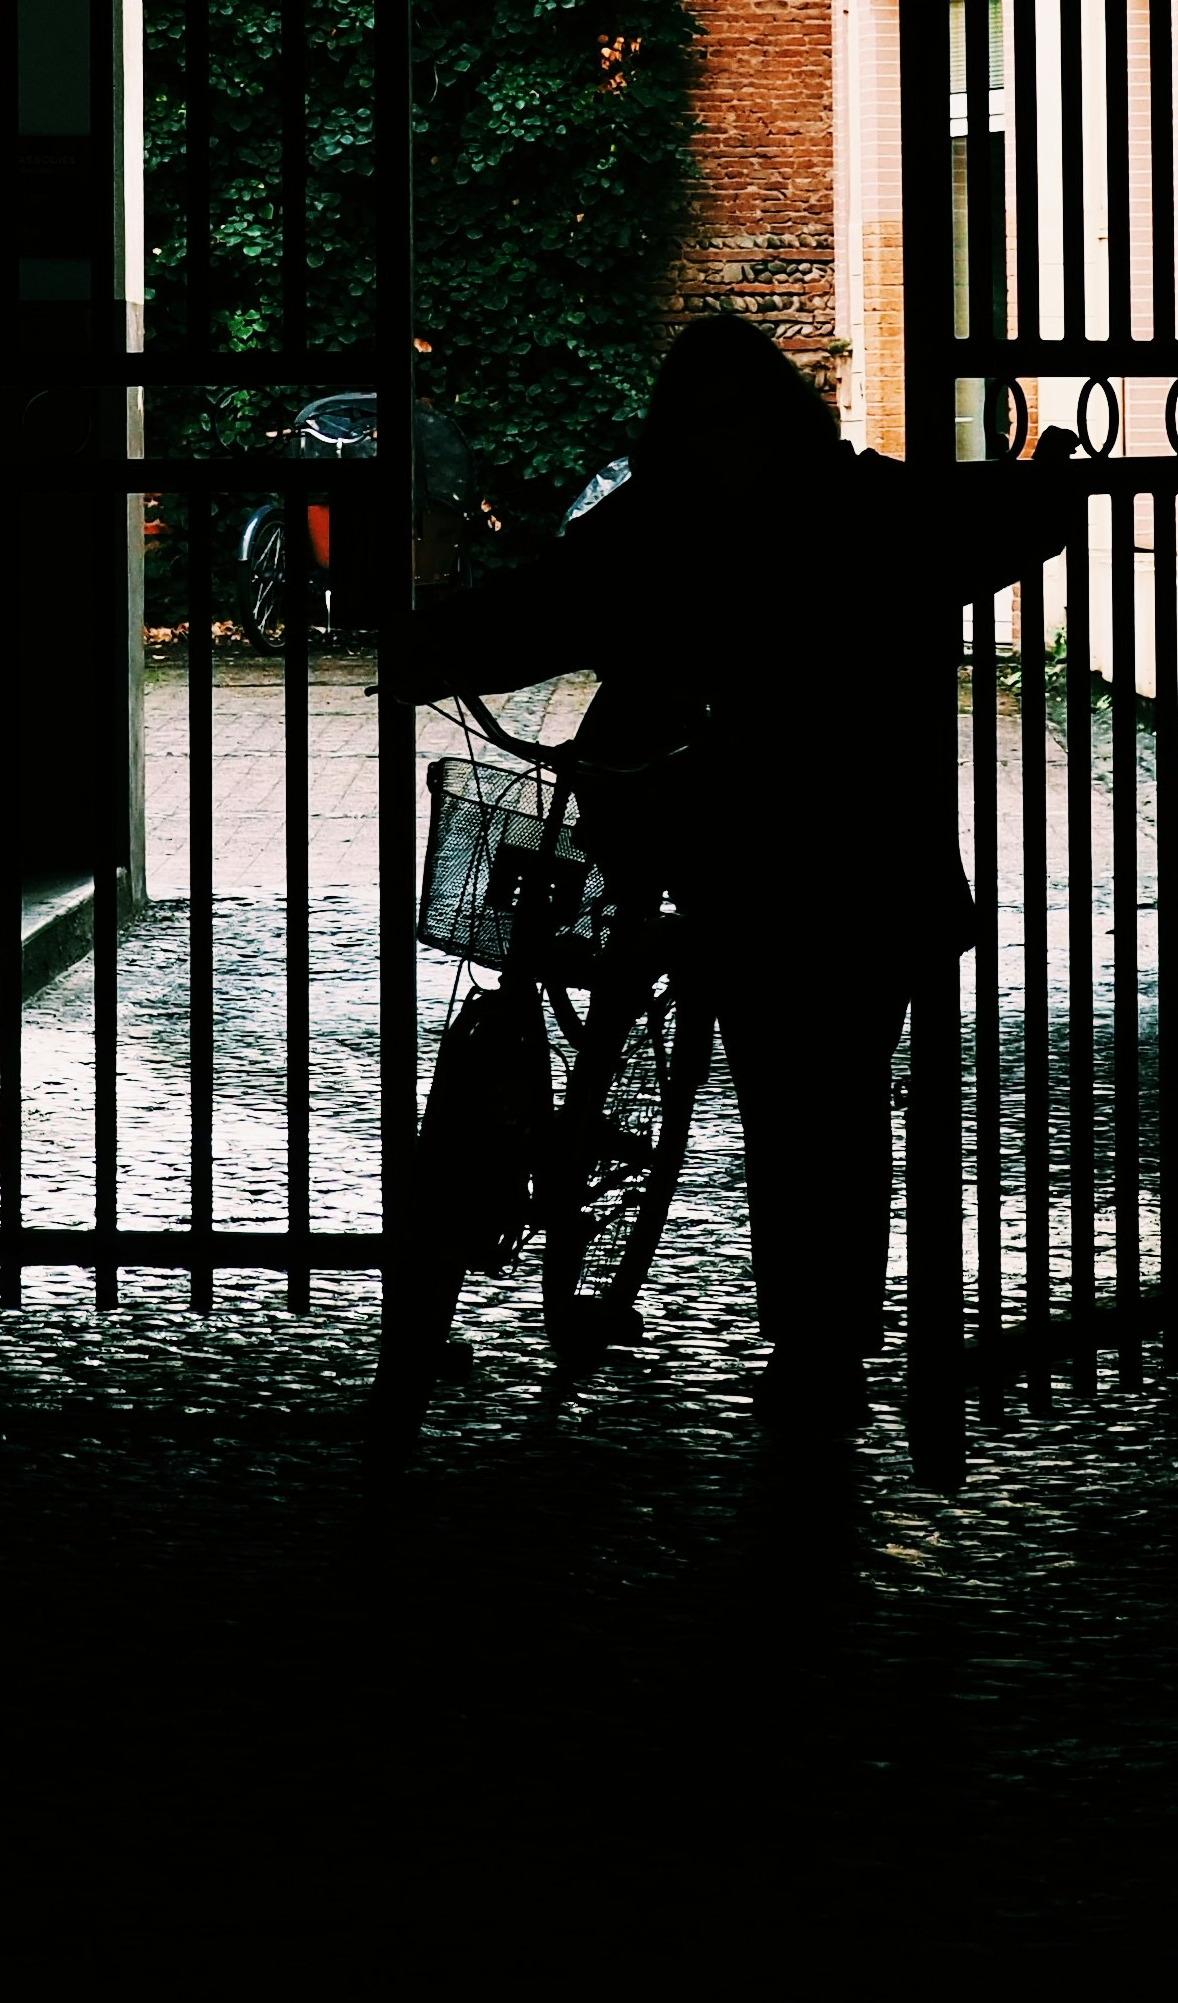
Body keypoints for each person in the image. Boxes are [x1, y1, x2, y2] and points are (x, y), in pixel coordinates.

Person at [389, 311, 1082, 1421]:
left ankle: (821, 1343)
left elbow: (558, 598)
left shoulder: (814, 510)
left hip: (835, 867)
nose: (723, 445)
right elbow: (554, 597)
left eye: (733, 420)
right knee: (808, 1097)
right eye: (708, 423)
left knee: (814, 1099)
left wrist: (1042, 485)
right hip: (768, 851)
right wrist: (436, 645)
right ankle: (816, 1341)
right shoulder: (799, 511)